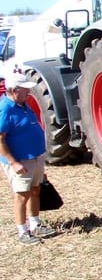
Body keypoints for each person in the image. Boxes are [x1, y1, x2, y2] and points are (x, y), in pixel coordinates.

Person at [0, 71, 57, 245]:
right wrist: (13, 162)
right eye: (25, 90)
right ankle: (22, 231)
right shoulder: (5, 109)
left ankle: (35, 224)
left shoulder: (23, 105)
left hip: (34, 158)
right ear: (14, 90)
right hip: (21, 161)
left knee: (35, 190)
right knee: (22, 195)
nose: (28, 93)